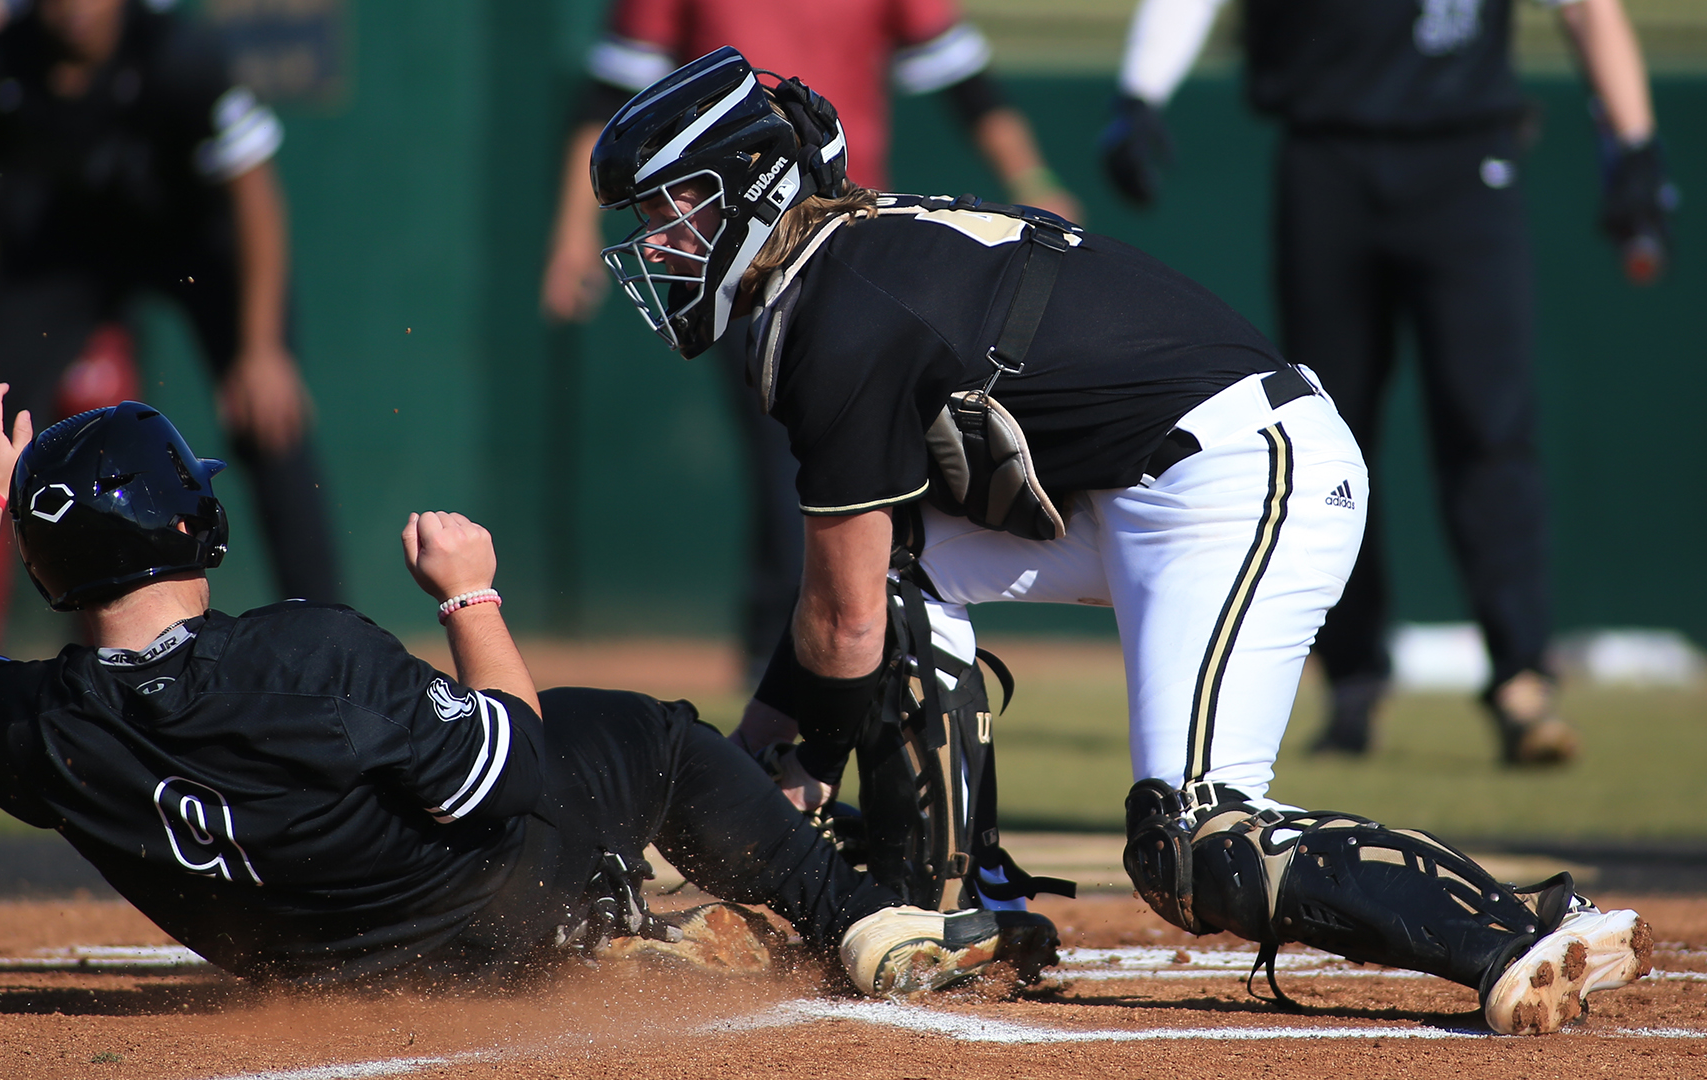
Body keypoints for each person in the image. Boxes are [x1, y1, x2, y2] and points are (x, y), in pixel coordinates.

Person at [587, 47, 1651, 1034]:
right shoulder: (845, 263)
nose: (661, 243)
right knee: (902, 568)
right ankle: (952, 905)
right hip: (1153, 482)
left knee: (1196, 846)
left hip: (1238, 475)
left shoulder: (837, 307)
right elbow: (864, 595)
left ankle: (1522, 928)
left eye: (677, 210)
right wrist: (770, 774)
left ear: (759, 186)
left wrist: (745, 793)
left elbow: (839, 627)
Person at [0, 376, 1059, 992]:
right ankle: (861, 929)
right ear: (193, 522)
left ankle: (622, 928)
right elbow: (506, 771)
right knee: (651, 743)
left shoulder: (40, 726)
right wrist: (469, 596)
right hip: (488, 917)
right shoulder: (306, 653)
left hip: (314, 970)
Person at [1095, 0, 1675, 761]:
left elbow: (1587, 8)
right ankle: (1353, 680)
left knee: (1488, 423)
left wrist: (1633, 143)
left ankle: (1522, 678)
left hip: (1464, 158)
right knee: (1327, 433)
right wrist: (1140, 92)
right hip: (1329, 154)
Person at [543, 0, 1081, 683]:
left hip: (848, 237)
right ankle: (796, 655)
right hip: (730, 241)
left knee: (868, 459)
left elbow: (960, 75)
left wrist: (1032, 180)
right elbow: (611, 90)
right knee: (793, 456)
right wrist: (573, 231)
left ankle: (877, 640)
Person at [0, 0, 340, 606]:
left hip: (193, 249)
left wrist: (262, 347)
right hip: (62, 256)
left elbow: (253, 191)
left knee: (271, 414)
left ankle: (326, 622)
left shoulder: (178, 58)